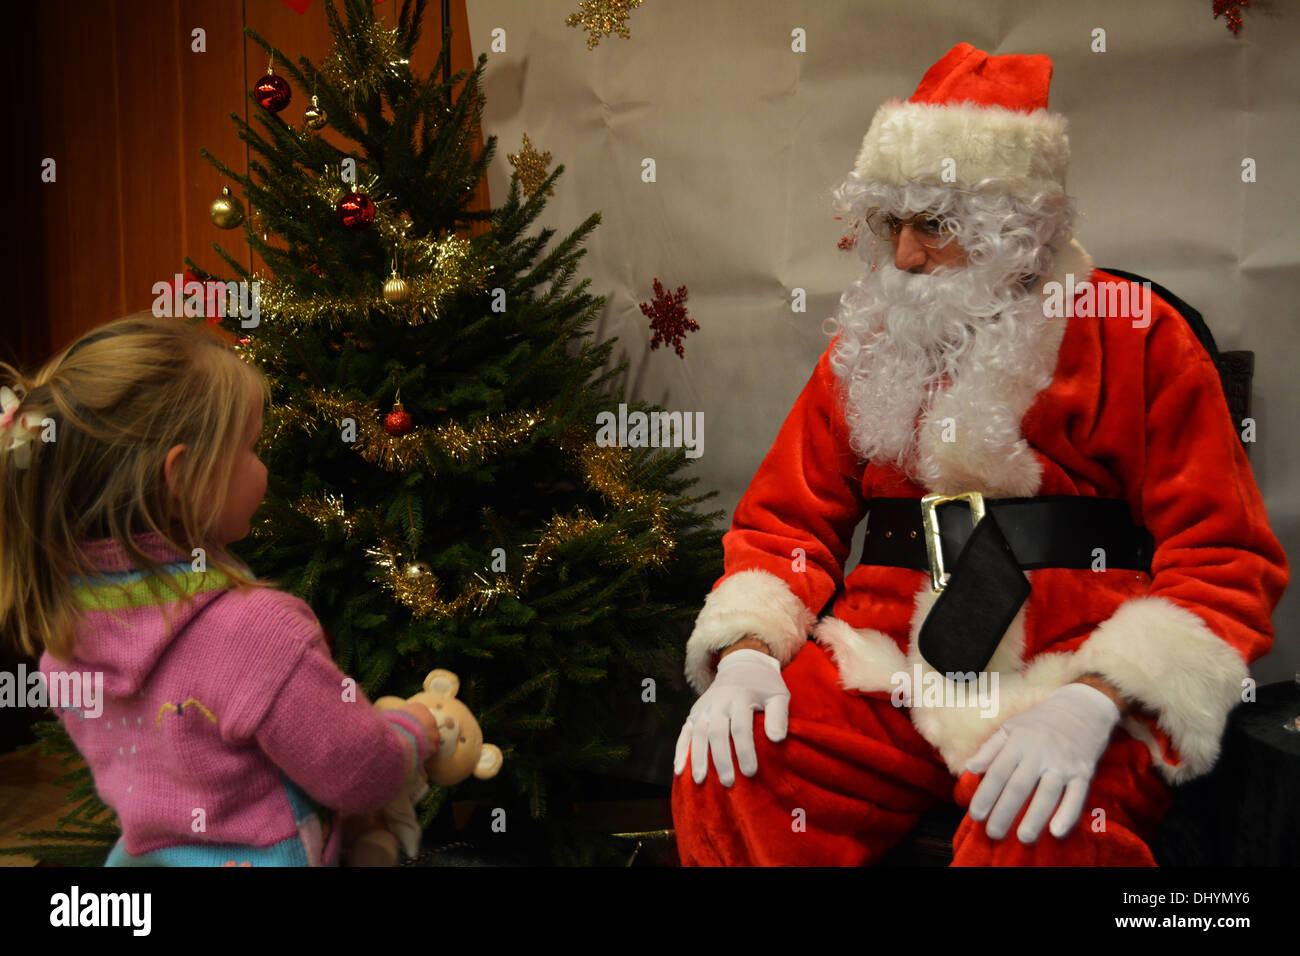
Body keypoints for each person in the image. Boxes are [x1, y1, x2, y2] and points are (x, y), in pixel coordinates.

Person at [670, 42, 1288, 866]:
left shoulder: (1137, 334)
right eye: (891, 224)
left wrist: (1104, 696)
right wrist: (747, 651)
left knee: (1040, 831)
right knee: (735, 768)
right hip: (882, 661)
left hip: (1068, 663)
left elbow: (1223, 558)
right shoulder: (866, 345)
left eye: (935, 226)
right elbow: (786, 522)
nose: (904, 258)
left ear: (1016, 227)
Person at [0, 312, 443, 865]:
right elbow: (361, 774)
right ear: (184, 478)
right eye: (251, 447)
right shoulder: (257, 632)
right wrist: (414, 730)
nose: (262, 468)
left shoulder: (61, 637)